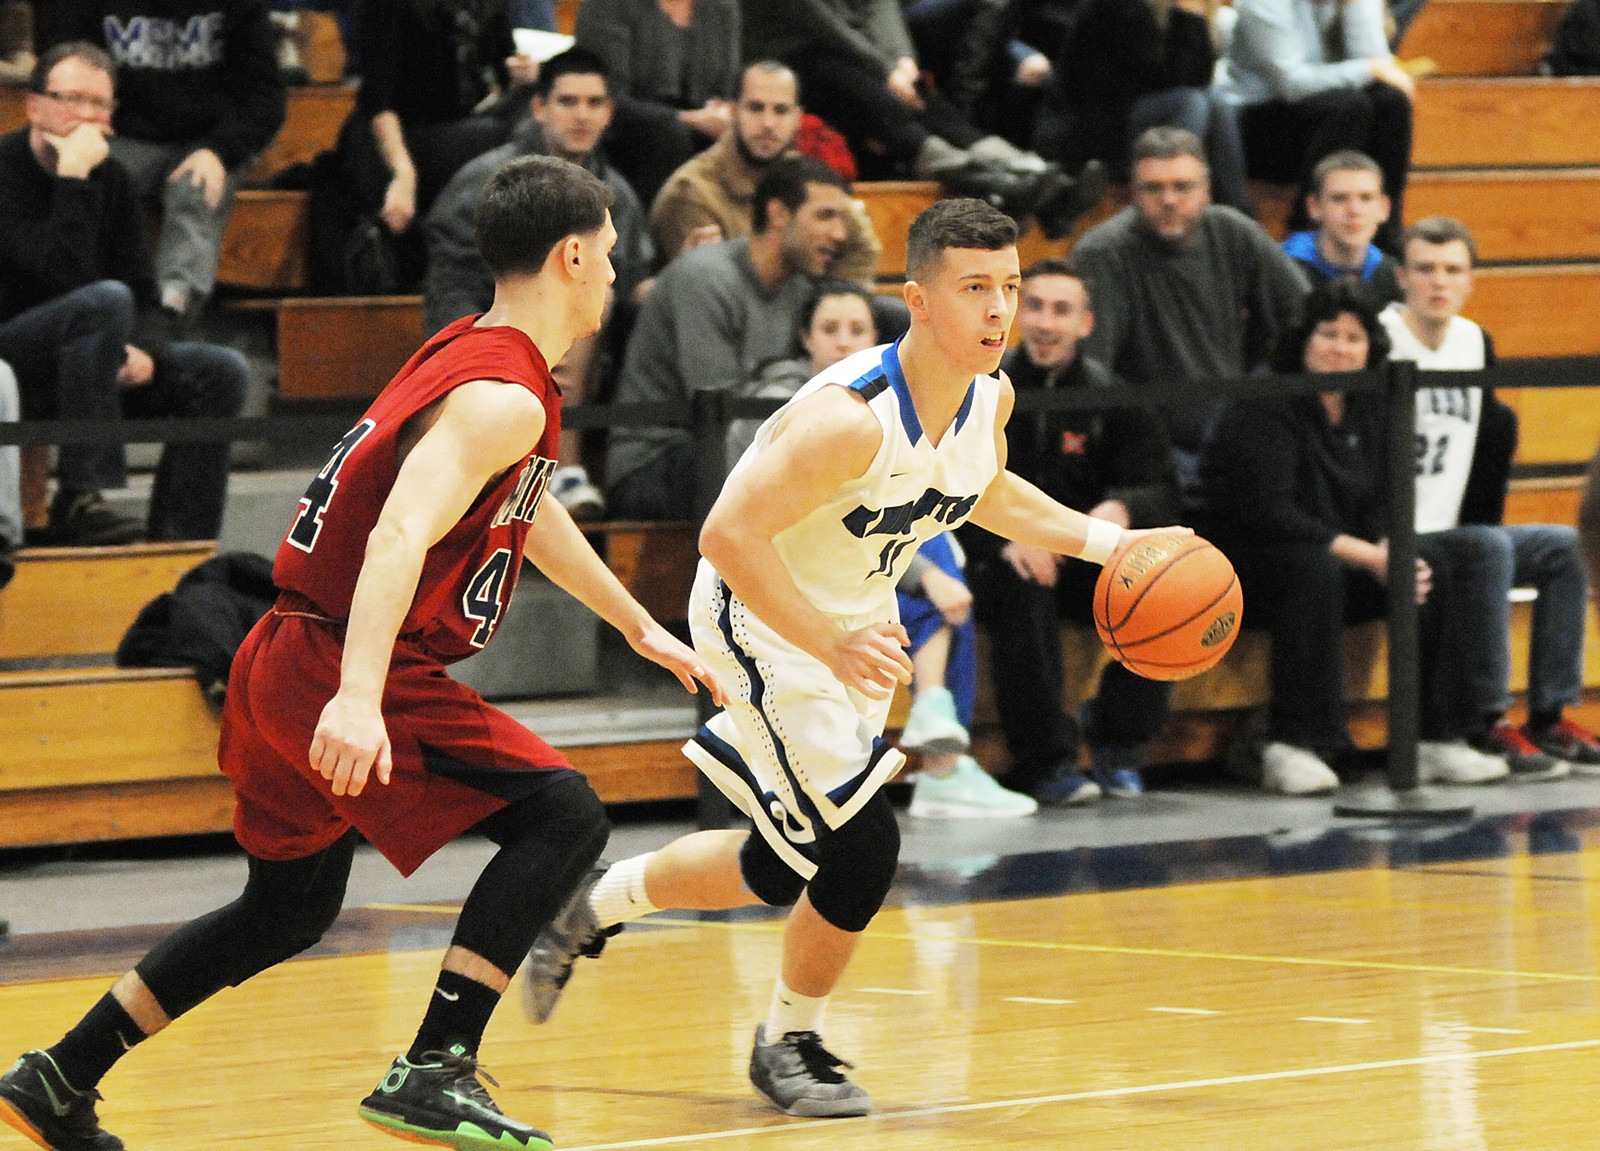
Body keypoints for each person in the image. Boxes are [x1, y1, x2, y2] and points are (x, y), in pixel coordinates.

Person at [0, 154, 725, 1151]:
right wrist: (356, 695)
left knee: (286, 906)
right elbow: (395, 535)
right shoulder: (501, 394)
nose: (611, 273)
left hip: (283, 651)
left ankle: (56, 1073)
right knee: (564, 815)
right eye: (605, 254)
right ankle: (436, 1065)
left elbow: (522, 500)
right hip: (337, 657)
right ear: (569, 255)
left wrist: (634, 621)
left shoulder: (472, 351)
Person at [518, 197, 1184, 1117]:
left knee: (779, 863)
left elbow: (983, 486)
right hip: (759, 616)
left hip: (848, 620)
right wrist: (827, 638)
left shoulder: (990, 395)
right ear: (917, 298)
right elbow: (725, 536)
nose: (1001, 312)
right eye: (976, 289)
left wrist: (1112, 547)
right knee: (862, 844)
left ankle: (592, 903)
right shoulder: (850, 417)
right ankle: (788, 1041)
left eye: (1012, 289)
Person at [734, 275, 1034, 817]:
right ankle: (938, 739)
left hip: (866, 571)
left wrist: (1107, 545)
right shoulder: (789, 406)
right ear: (805, 338)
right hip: (781, 575)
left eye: (857, 328)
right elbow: (766, 528)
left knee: (945, 574)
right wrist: (926, 574)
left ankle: (940, 737)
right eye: (830, 328)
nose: (844, 341)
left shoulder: (908, 400)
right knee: (935, 577)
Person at [1196, 278, 1509, 791]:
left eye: (1353, 338)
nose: (1340, 348)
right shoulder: (1265, 399)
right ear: (1304, 339)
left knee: (1433, 562)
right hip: (1248, 566)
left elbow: (1387, 497)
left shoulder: (1374, 403)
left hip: (1340, 560)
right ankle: (1292, 744)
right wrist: (1371, 555)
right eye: (1328, 334)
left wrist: (1391, 547)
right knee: (1313, 568)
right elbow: (1270, 514)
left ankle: (1436, 738)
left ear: (1370, 350)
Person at [0, 41, 248, 545]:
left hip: (92, 361)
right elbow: (55, 277)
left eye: (100, 104)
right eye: (72, 99)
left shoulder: (111, 177)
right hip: (13, 363)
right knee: (104, 299)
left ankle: (181, 545)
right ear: (34, 106)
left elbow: (144, 292)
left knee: (220, 372)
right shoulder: (5, 171)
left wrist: (146, 350)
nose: (88, 117)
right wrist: (71, 178)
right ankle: (80, 495)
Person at [1380, 216, 1600, 776]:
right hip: (1396, 532)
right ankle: (1484, 719)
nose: (1439, 282)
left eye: (1453, 270)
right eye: (1425, 269)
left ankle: (1549, 715)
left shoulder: (1475, 341)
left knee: (1561, 545)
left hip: (1459, 529)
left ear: (1471, 280)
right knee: (1489, 549)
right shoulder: (1380, 336)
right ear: (1401, 276)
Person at [964, 258, 1179, 803]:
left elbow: (1161, 487)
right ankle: (1047, 763)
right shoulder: (980, 388)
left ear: (1086, 324)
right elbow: (946, 488)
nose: (1045, 322)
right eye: (1033, 306)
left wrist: (1120, 508)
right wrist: (1007, 541)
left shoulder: (1115, 394)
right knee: (1020, 586)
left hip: (1089, 553)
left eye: (1061, 310)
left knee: (1171, 588)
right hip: (1008, 558)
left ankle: (1119, 740)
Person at [424, 46, 655, 520]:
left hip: (588, 348)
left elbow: (630, 276)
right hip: (489, 329)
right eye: (568, 101)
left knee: (603, 294)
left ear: (609, 113)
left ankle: (562, 466)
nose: (581, 115)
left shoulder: (619, 195)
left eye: (594, 103)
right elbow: (452, 277)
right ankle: (550, 466)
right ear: (539, 107)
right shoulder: (487, 180)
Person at [603, 154, 850, 521]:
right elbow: (719, 414)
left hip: (740, 445)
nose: (840, 234)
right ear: (779, 214)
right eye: (825, 216)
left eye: (843, 219)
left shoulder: (802, 288)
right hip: (656, 461)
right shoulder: (706, 278)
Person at [1071, 126, 1307, 502]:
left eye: (1183, 187)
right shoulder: (1102, 254)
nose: (1169, 199)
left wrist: (1262, 389)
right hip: (1147, 454)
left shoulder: (1234, 233)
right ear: (1133, 194)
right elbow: (1089, 370)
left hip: (1235, 437)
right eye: (1153, 188)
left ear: (1206, 191)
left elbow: (1303, 316)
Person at [742, 0, 1106, 236]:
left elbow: (879, 8)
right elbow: (823, 25)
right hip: (794, 60)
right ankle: (993, 180)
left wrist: (902, 61)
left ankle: (1034, 175)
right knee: (878, 99)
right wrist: (886, 70)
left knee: (923, 96)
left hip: (857, 55)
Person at [41, 0, 287, 332]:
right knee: (90, 177)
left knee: (194, 191)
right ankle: (80, 313)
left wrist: (219, 151)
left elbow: (265, 97)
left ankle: (168, 321)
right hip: (122, 134)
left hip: (210, 140)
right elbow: (67, 68)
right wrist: (86, 124)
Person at [648, 59, 881, 285]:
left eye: (781, 110)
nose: (768, 123)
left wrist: (833, 303)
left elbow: (863, 248)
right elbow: (709, 292)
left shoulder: (809, 178)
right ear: (733, 111)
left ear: (798, 118)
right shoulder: (692, 193)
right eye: (756, 108)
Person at [1216, 0, 1414, 249]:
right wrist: (1369, 69)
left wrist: (1358, 6)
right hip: (1255, 124)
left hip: (1330, 114)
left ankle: (1386, 239)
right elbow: (1292, 83)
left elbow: (1377, 65)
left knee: (1391, 101)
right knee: (1349, 106)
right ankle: (1305, 237)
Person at [1043, 0, 1253, 215]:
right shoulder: (1119, 8)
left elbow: (1199, 79)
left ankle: (1238, 216)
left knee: (1216, 101)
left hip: (1138, 119)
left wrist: (1192, 17)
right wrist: (1188, 19)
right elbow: (1161, 80)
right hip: (1092, 128)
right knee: (1192, 102)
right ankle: (1168, 205)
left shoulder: (1176, 11)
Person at [573, 0, 741, 205]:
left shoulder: (722, 7)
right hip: (627, 134)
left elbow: (727, 88)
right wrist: (688, 119)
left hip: (703, 131)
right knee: (671, 136)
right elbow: (606, 97)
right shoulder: (608, 6)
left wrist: (724, 111)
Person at [1282, 149, 1402, 306]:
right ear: (1314, 207)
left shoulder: (1395, 278)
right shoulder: (1282, 270)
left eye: (1366, 198)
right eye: (1339, 198)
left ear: (1384, 209)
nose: (1354, 210)